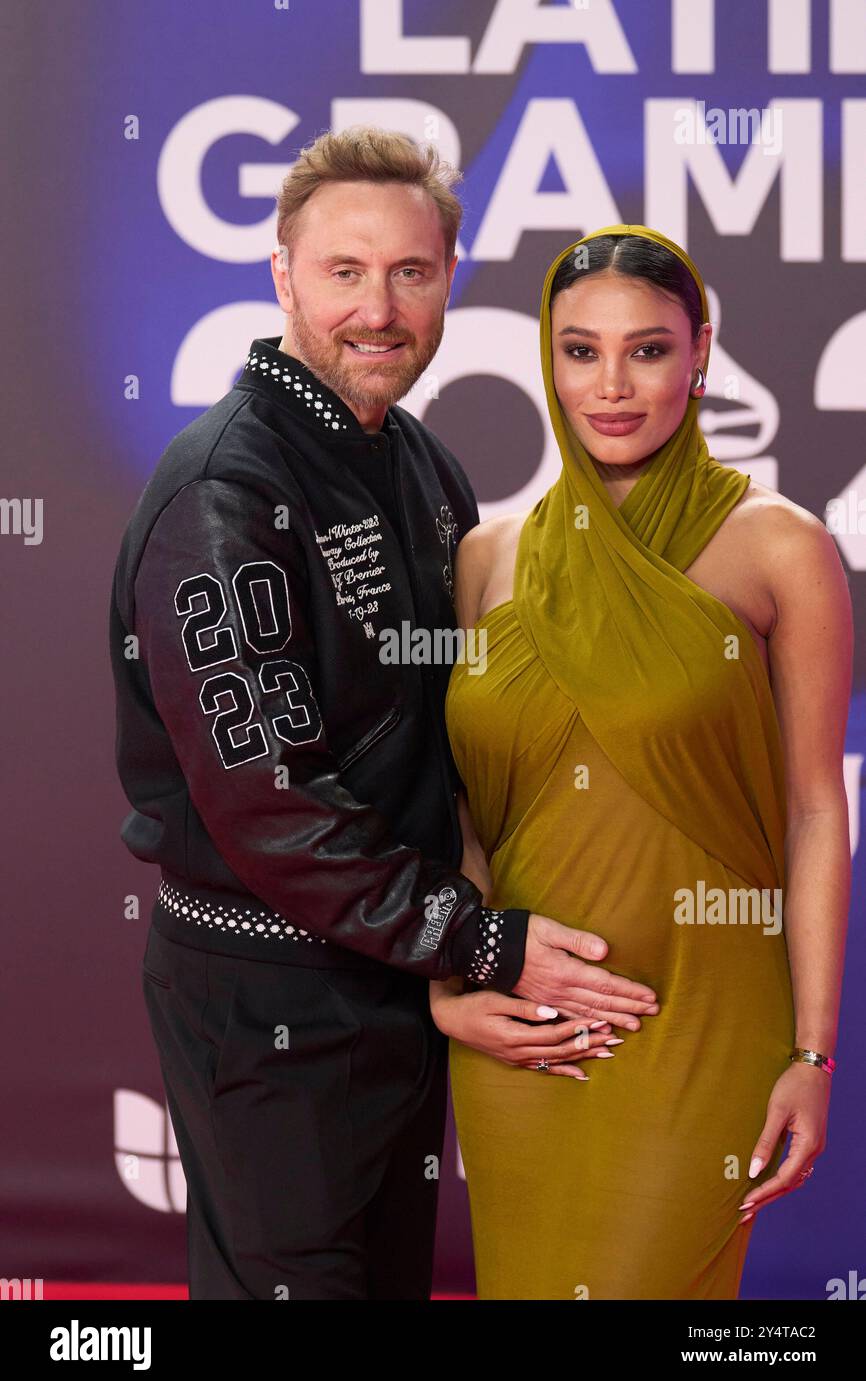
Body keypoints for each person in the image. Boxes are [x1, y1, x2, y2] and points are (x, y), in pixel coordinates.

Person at [109, 133, 657, 1300]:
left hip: (395, 985)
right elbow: (267, 804)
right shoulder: (227, 490)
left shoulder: (418, 464)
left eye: (410, 271)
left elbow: (453, 740)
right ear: (283, 278)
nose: (378, 307)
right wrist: (472, 938)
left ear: (449, 277)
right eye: (344, 271)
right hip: (268, 1003)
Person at [433, 225, 852, 1300]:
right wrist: (452, 988)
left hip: (701, 1030)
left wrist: (810, 1055)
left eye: (647, 349)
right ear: (546, 358)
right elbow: (469, 820)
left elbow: (815, 811)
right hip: (521, 1038)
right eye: (580, 351)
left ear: (699, 352)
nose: (610, 384)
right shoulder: (487, 558)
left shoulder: (779, 547)